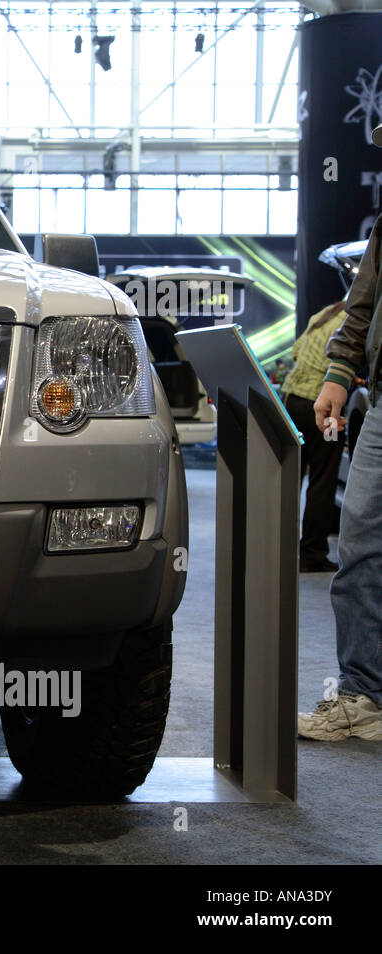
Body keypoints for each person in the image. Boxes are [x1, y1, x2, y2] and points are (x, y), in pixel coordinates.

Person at [298, 123, 382, 741]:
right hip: (380, 404)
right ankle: (364, 697)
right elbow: (362, 304)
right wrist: (337, 373)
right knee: (359, 545)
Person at [281, 300, 348, 572]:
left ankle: (280, 548)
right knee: (324, 478)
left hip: (292, 403)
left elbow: (297, 353)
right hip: (326, 410)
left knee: (290, 479)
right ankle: (312, 554)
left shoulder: (324, 312)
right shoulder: (356, 320)